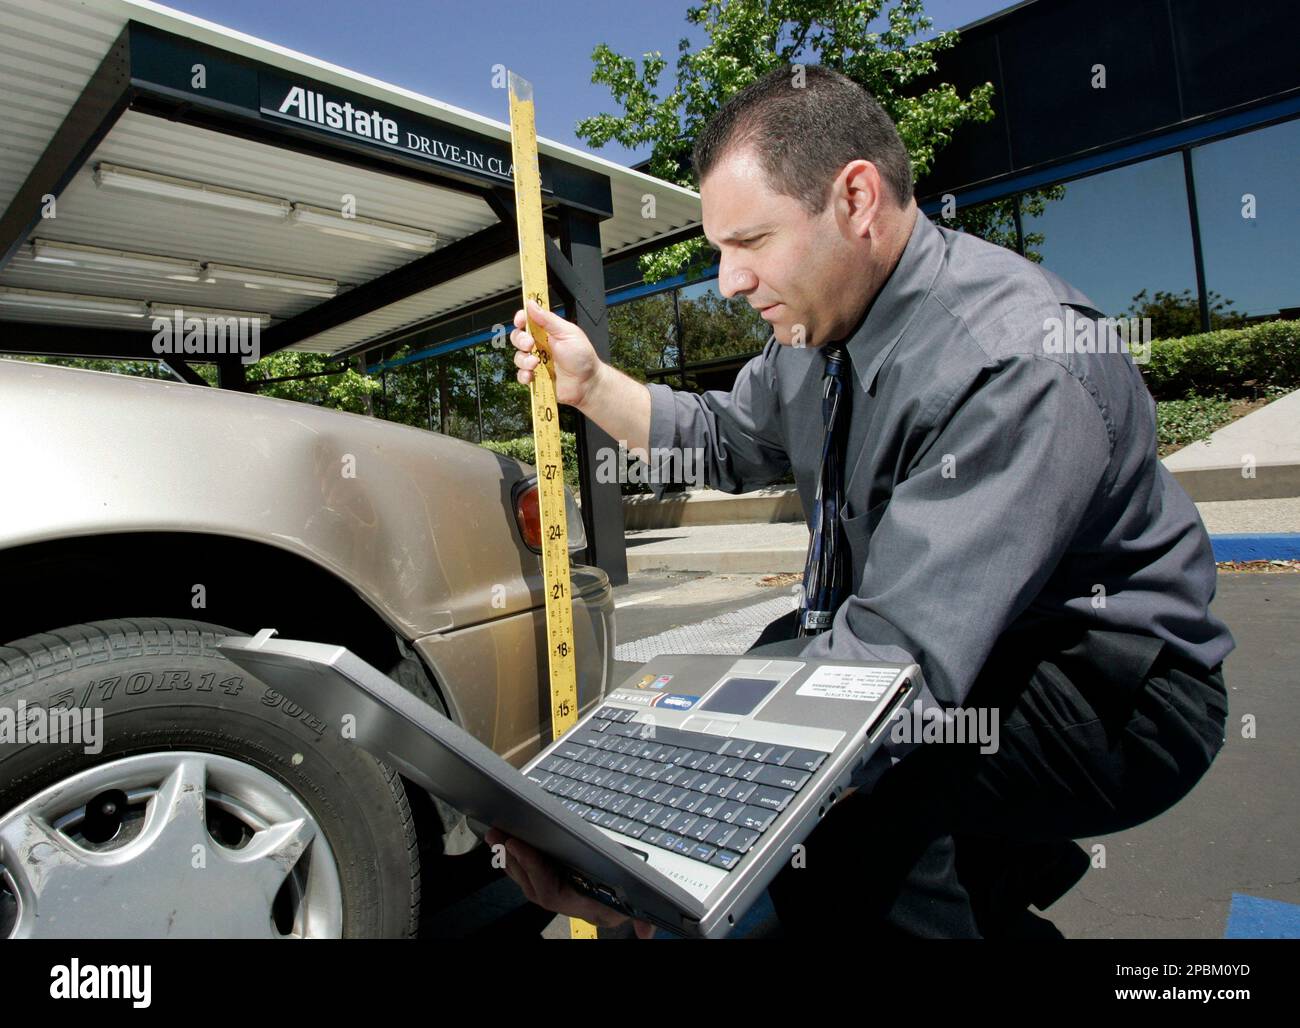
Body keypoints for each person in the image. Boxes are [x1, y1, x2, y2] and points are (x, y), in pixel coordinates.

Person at [495, 65, 1233, 938]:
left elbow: (890, 666)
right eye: (718, 250)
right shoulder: (811, 336)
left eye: (752, 242)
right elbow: (725, 435)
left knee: (852, 779)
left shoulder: (1009, 364)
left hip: (1115, 686)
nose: (728, 281)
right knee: (782, 683)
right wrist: (589, 385)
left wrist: (664, 819)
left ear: (855, 199)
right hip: (974, 643)